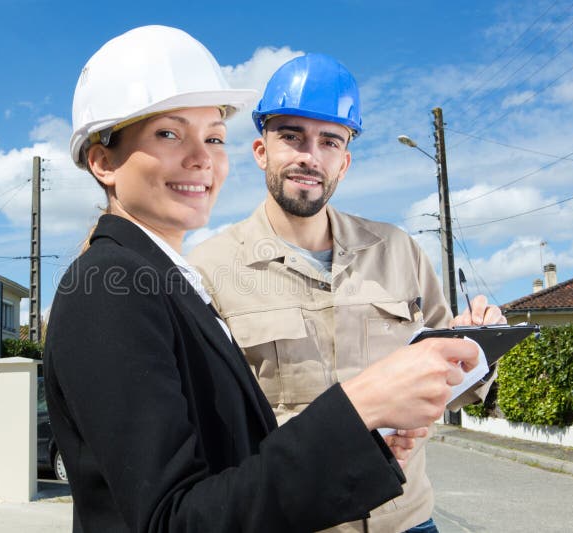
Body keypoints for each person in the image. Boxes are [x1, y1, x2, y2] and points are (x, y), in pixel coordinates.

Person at [44, 26, 482, 533]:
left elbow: (231, 460)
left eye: (212, 137)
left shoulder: (169, 281)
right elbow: (172, 517)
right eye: (169, 132)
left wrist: (367, 435)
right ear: (102, 161)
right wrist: (360, 408)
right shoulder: (110, 286)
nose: (201, 157)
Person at [188, 53, 506, 533]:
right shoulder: (208, 271)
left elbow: (446, 379)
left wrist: (476, 347)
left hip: (408, 520)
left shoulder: (400, 251)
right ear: (260, 150)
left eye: (329, 141)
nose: (309, 156)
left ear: (345, 161)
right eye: (291, 135)